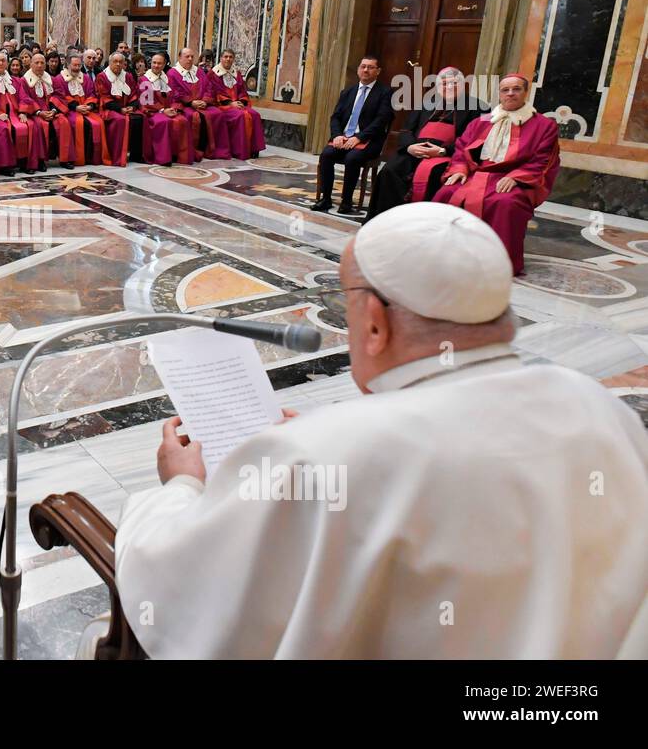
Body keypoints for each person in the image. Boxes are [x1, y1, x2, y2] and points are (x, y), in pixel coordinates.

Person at [114, 202, 648, 658]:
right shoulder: (601, 410)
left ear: (374, 321)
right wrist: (332, 440)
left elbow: (181, 590)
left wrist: (181, 486)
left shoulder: (319, 455)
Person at [433, 74, 560, 276]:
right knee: (445, 193)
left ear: (526, 92)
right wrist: (459, 169)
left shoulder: (544, 125)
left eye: (516, 89)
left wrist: (517, 177)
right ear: (499, 93)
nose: (510, 93)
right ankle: (445, 254)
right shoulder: (481, 121)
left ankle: (497, 262)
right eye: (505, 90)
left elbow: (543, 160)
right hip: (477, 175)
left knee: (506, 203)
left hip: (513, 179)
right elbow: (461, 148)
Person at [364, 67, 486, 224]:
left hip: (447, 156)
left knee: (433, 176)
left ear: (463, 86)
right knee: (389, 171)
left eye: (454, 83)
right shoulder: (427, 104)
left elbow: (473, 140)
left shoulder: (477, 107)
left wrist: (443, 151)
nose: (449, 87)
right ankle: (385, 221)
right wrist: (410, 147)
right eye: (444, 83)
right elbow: (407, 129)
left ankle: (419, 224)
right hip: (415, 150)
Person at [313, 55, 394, 215]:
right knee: (327, 155)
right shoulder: (348, 91)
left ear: (378, 71)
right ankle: (326, 198)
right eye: (363, 66)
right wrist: (337, 135)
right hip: (344, 137)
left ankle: (347, 201)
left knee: (353, 158)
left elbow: (381, 121)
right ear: (358, 69)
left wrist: (359, 138)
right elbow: (335, 116)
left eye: (370, 67)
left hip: (369, 140)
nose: (366, 70)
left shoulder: (385, 93)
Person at [0, 51, 44, 175]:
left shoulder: (15, 80)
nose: (1, 63)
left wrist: (23, 112)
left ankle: (25, 163)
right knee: (2, 129)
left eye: (3, 60)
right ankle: (3, 166)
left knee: (31, 126)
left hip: (17, 115)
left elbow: (24, 98)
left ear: (7, 63)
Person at [141, 51, 198, 167]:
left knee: (182, 121)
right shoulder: (144, 79)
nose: (156, 66)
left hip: (167, 110)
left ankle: (179, 156)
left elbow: (175, 96)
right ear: (150, 63)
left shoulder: (166, 78)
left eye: (159, 63)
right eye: (154, 63)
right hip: (152, 112)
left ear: (164, 64)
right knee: (164, 122)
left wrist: (173, 108)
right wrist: (163, 110)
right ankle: (163, 158)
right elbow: (147, 102)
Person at [207, 48, 266, 159]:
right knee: (240, 116)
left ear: (233, 59)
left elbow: (242, 90)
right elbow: (214, 93)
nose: (228, 59)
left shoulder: (236, 73)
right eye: (226, 57)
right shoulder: (213, 74)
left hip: (237, 104)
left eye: (231, 57)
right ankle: (239, 151)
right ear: (221, 58)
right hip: (221, 106)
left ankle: (254, 148)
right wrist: (230, 103)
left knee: (254, 115)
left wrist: (241, 101)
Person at [169, 47, 224, 159]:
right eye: (187, 56)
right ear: (180, 57)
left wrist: (204, 101)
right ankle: (194, 150)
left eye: (192, 57)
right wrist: (191, 102)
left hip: (202, 103)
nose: (190, 59)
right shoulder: (172, 73)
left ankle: (212, 149)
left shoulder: (198, 71)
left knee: (218, 114)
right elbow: (175, 92)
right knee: (194, 116)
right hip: (184, 105)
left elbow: (209, 88)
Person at [51, 53, 105, 167]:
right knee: (78, 123)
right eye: (74, 65)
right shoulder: (59, 79)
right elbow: (60, 97)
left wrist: (89, 106)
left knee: (98, 123)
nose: (77, 68)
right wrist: (76, 107)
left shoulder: (85, 78)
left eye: (79, 66)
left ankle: (91, 157)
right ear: (67, 65)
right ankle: (76, 157)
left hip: (85, 109)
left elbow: (92, 93)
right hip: (69, 110)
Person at [16, 52, 63, 169]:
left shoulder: (51, 79)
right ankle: (40, 160)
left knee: (64, 123)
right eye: (36, 63)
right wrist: (39, 112)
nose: (39, 65)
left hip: (51, 112)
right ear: (31, 64)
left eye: (42, 63)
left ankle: (65, 159)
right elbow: (24, 98)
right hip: (35, 114)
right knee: (38, 126)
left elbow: (59, 95)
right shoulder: (24, 81)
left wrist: (53, 110)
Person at [93, 51, 135, 167]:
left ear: (124, 64)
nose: (118, 64)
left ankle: (135, 155)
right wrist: (120, 109)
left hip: (125, 108)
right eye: (115, 62)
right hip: (108, 109)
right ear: (110, 63)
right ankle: (116, 156)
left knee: (140, 118)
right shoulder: (102, 76)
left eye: (120, 62)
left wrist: (132, 106)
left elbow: (134, 94)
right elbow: (104, 97)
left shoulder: (128, 76)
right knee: (120, 120)